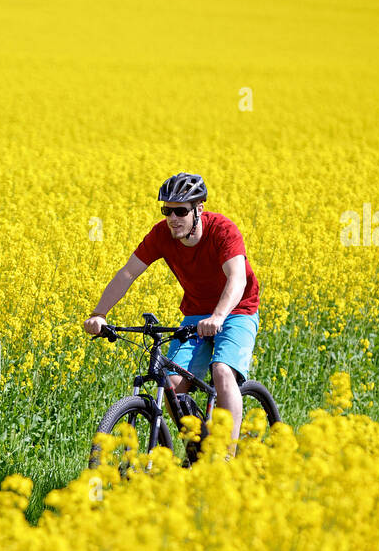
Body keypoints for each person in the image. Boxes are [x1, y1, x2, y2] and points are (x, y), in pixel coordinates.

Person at [83, 172, 261, 448]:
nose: (172, 218)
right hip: (196, 313)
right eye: (167, 210)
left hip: (238, 310)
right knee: (172, 384)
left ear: (198, 209)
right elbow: (128, 273)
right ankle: (198, 448)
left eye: (180, 211)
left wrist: (218, 316)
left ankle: (227, 458)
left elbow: (237, 278)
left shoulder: (223, 230)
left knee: (223, 371)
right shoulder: (162, 235)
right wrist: (99, 313)